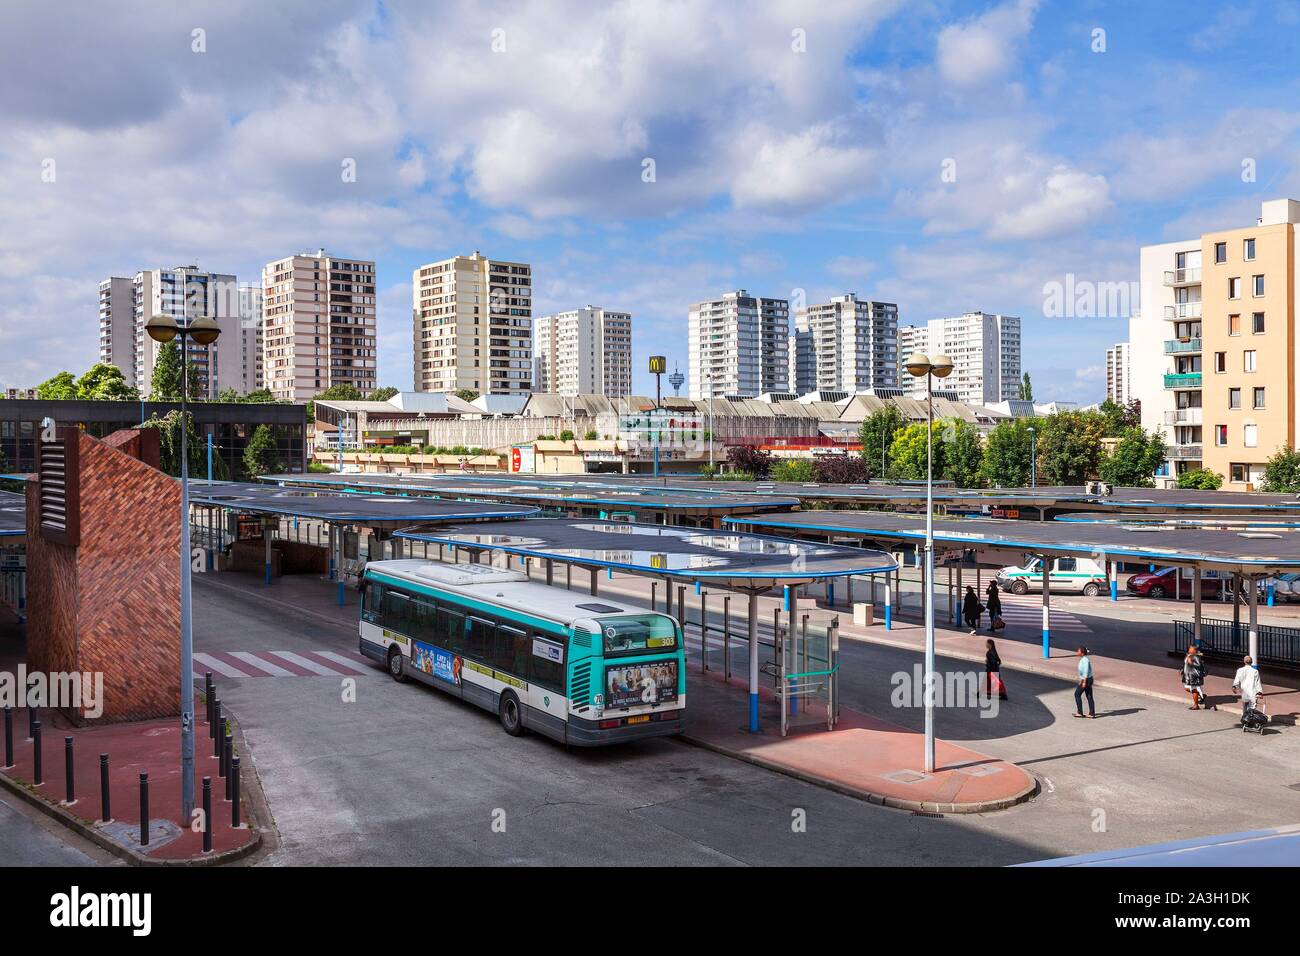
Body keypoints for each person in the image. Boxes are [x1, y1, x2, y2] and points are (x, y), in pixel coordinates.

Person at [1181, 645, 1206, 710]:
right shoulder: (1188, 655)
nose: (1189, 649)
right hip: (1188, 676)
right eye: (1189, 648)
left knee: (1193, 689)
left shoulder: (1196, 657)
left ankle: (1196, 705)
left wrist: (1191, 663)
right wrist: (1182, 670)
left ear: (1194, 650)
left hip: (1193, 677)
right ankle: (1201, 695)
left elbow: (1199, 666)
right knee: (1187, 688)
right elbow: (1185, 664)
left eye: (1191, 648)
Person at [1073, 646, 1095, 718]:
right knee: (1089, 696)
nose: (1077, 652)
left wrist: (1084, 682)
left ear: (1082, 653)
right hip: (1088, 679)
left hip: (1087, 680)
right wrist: (1081, 680)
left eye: (1078, 651)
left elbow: (1085, 671)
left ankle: (1080, 712)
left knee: (1077, 694)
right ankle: (1092, 713)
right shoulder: (1084, 659)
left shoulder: (1085, 660)